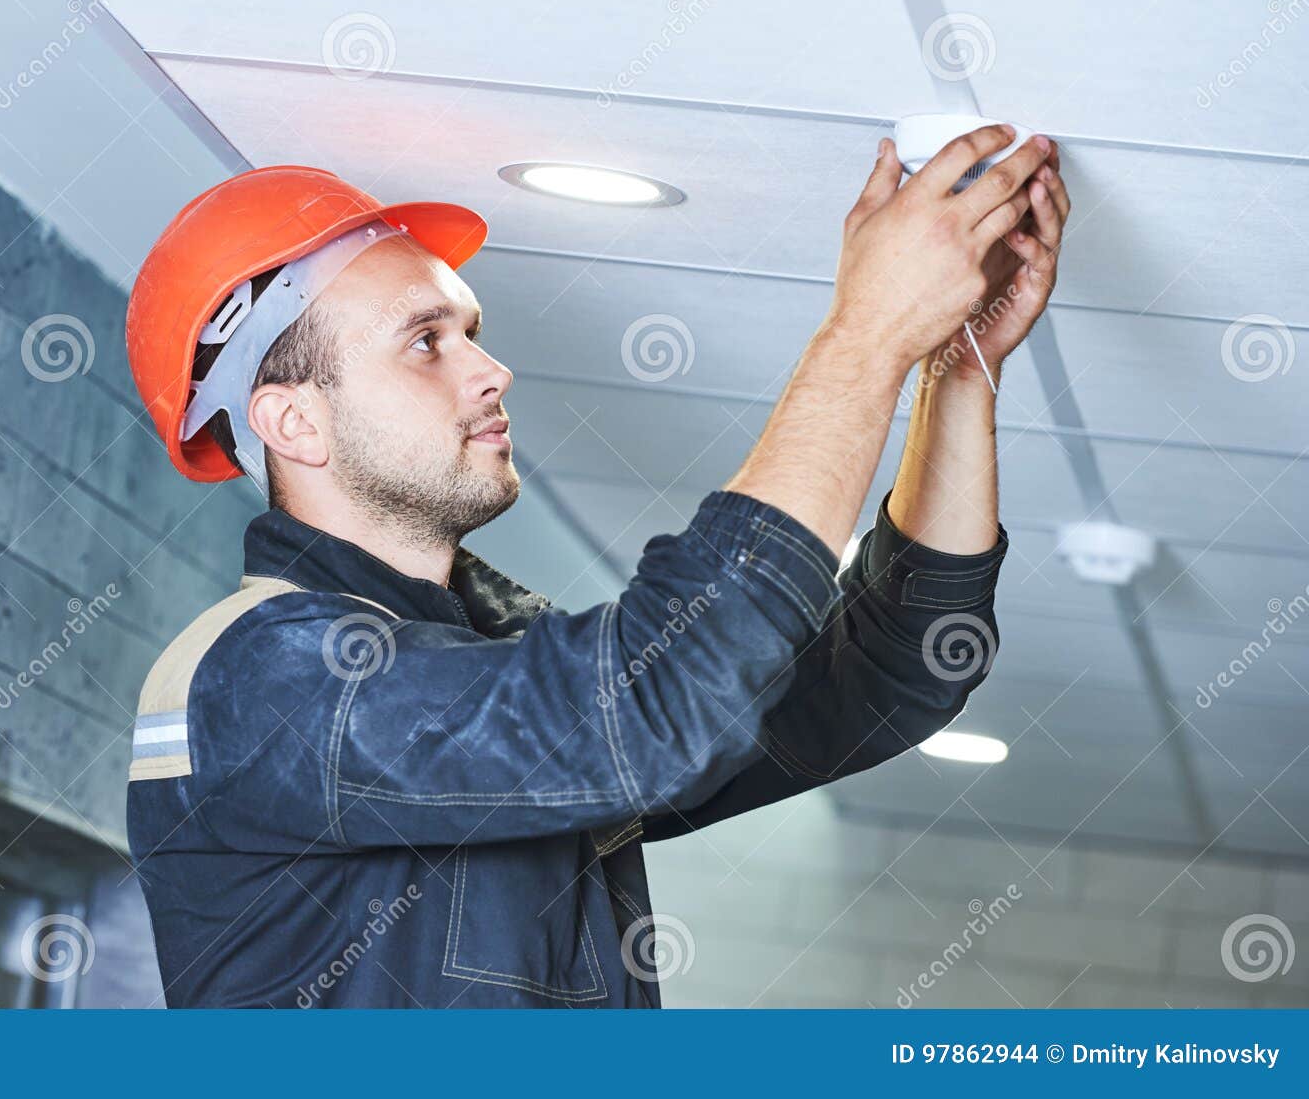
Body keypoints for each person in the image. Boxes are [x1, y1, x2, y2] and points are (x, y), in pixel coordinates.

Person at [121, 124, 1071, 1007]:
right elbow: (652, 709)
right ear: (295, 421)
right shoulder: (260, 680)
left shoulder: (490, 656)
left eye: (471, 331)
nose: (491, 372)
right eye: (424, 342)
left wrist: (952, 370)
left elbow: (887, 672)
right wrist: (866, 336)